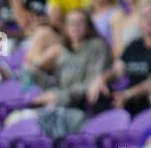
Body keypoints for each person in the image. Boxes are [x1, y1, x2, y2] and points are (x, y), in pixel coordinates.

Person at [23, 9, 112, 138]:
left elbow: (91, 83)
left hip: (83, 108)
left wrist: (58, 96)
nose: (75, 26)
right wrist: (36, 74)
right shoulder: (64, 51)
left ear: (88, 27)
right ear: (66, 28)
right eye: (71, 23)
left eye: (79, 22)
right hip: (61, 104)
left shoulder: (97, 46)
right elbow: (55, 84)